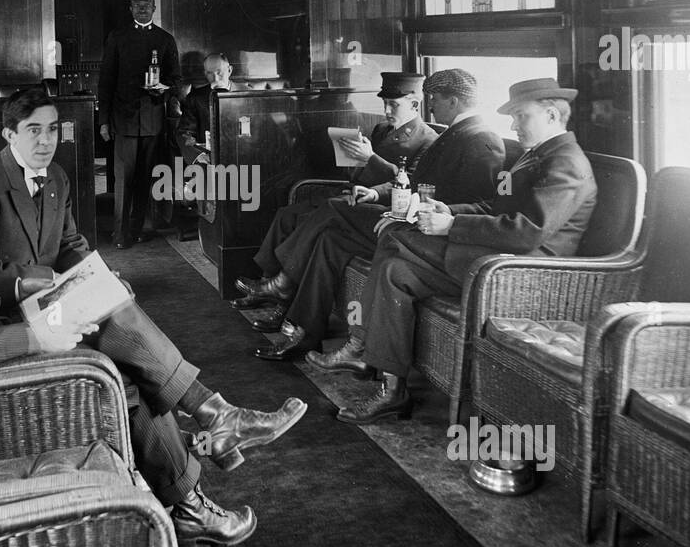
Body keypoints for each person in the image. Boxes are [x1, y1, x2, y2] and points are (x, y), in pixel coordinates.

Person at [0, 102, 306, 547]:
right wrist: (35, 335)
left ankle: (208, 436)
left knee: (110, 318)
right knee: (123, 375)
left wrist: (50, 298)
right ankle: (197, 478)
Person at [330, 77, 599, 424]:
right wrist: (449, 210)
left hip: (523, 272)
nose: (514, 125)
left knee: (395, 235)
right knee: (394, 272)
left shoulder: (566, 163)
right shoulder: (539, 155)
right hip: (495, 259)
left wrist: (451, 227)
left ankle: (360, 343)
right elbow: (495, 206)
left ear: (550, 114)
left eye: (521, 116)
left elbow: (526, 232)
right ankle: (391, 389)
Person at [252, 69, 507, 360]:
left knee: (335, 208)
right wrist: (376, 193)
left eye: (434, 99)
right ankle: (302, 332)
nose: (431, 105)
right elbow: (413, 182)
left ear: (455, 101)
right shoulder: (456, 136)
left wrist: (429, 212)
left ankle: (285, 282)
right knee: (330, 240)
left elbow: (477, 204)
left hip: (425, 233)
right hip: (409, 218)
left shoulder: (480, 140)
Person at [232, 71, 436, 312]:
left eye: (393, 104)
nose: (387, 110)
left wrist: (370, 159)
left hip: (383, 207)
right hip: (358, 193)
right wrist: (355, 161)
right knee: (289, 214)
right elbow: (361, 173)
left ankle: (281, 288)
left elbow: (408, 184)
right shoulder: (382, 129)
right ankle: (269, 283)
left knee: (315, 221)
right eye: (384, 103)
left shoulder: (428, 140)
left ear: (414, 104)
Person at [98, 0, 180, 249]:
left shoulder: (165, 40)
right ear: (130, 7)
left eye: (147, 5)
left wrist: (163, 88)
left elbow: (176, 80)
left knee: (145, 178)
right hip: (123, 121)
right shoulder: (117, 37)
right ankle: (120, 234)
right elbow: (106, 82)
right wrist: (104, 122)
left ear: (154, 7)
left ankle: (137, 229)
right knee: (123, 180)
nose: (142, 9)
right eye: (137, 5)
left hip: (153, 122)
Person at [178, 52, 233, 157]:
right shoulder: (194, 98)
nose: (215, 79)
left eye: (219, 72)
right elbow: (185, 134)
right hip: (208, 159)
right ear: (205, 73)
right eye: (209, 73)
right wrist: (199, 156)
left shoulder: (249, 94)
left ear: (229, 70)